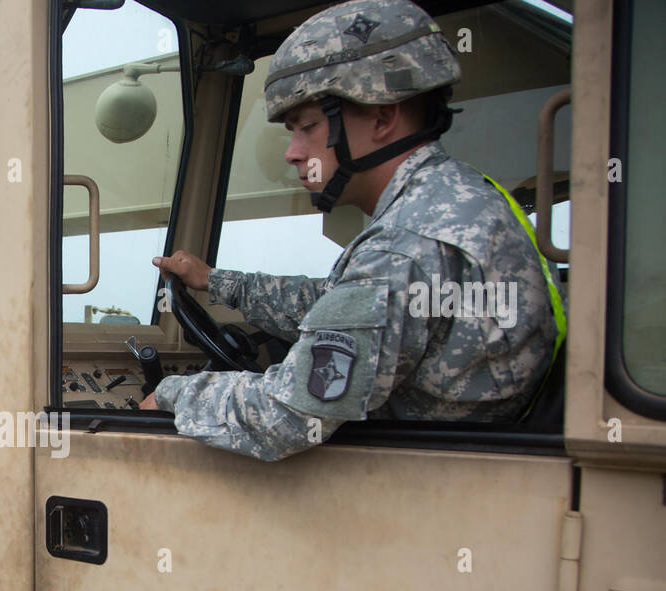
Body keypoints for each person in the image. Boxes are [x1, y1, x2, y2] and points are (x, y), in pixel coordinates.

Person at [141, 0, 564, 461]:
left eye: (306, 128)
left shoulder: (406, 245)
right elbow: (335, 303)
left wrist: (171, 396)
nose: (292, 153)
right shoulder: (453, 199)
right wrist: (216, 282)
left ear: (382, 118)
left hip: (426, 492)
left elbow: (289, 414)